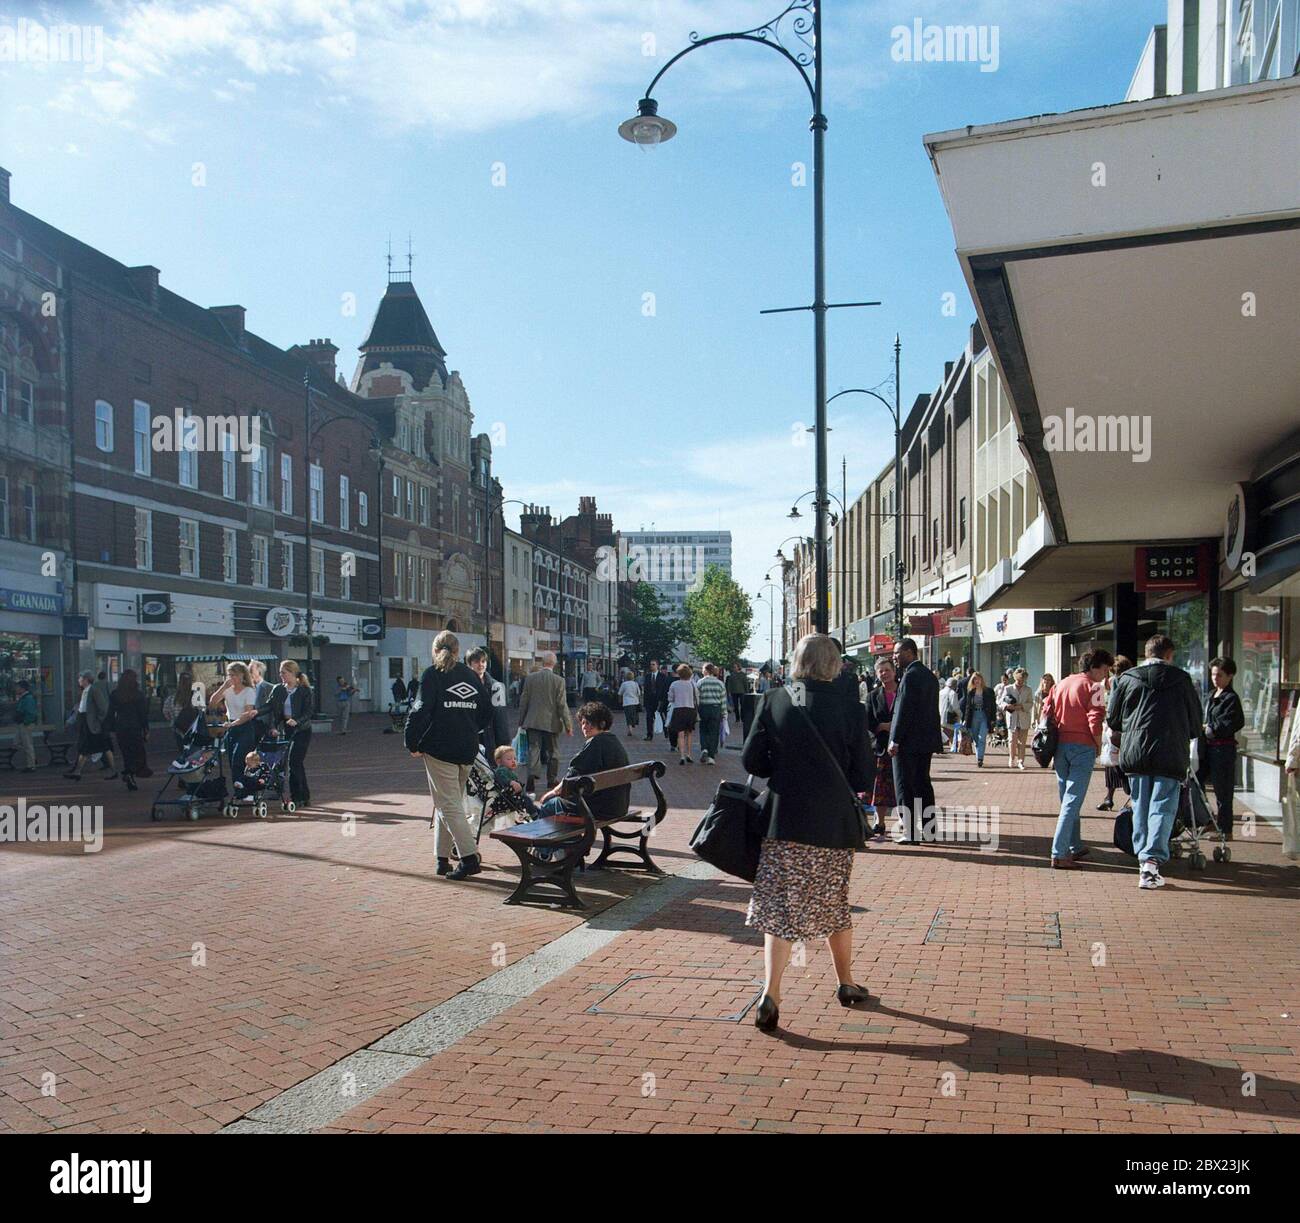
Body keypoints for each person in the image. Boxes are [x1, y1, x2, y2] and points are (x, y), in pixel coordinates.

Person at [742, 634, 873, 1033]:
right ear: (834, 665)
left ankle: (771, 993)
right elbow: (864, 775)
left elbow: (752, 760)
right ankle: (846, 983)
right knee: (834, 901)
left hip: (785, 821)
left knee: (779, 910)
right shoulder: (852, 709)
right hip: (833, 823)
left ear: (797, 662)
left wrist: (785, 767)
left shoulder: (776, 699)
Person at [1107, 635, 1202, 890]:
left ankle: (1143, 858)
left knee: (1140, 805)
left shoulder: (1127, 679)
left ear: (1146, 654)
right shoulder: (1182, 680)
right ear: (1169, 655)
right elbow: (1195, 723)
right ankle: (1151, 862)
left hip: (1136, 752)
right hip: (1170, 752)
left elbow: (1113, 719)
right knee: (1162, 806)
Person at [405, 630, 492, 880]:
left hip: (440, 748)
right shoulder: (471, 676)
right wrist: (469, 728)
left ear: (435, 650)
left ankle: (468, 857)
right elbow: (487, 711)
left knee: (449, 804)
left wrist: (412, 742)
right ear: (457, 651)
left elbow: (420, 710)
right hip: (467, 748)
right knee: (447, 802)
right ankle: (442, 859)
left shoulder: (433, 674)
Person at [1044, 648, 1114, 869]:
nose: (1106, 674)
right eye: (1105, 669)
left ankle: (1074, 845)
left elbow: (1047, 710)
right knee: (1072, 802)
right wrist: (1097, 744)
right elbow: (1095, 719)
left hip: (1060, 746)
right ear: (1095, 667)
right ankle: (1059, 852)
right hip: (1082, 746)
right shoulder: (1094, 688)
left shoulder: (1062, 683)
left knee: (1067, 800)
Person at [535, 701, 630, 819]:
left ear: (602, 723)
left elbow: (574, 773)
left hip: (598, 808)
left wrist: (554, 792)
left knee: (549, 805)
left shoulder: (595, 743)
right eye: (583, 723)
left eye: (589, 723)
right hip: (618, 807)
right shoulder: (614, 741)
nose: (584, 727)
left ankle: (541, 836)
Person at [888, 639, 943, 844]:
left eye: (897, 652)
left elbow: (903, 711)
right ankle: (929, 831)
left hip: (908, 743)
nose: (894, 656)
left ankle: (910, 831)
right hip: (925, 741)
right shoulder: (929, 676)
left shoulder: (910, 677)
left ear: (910, 652)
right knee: (923, 785)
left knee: (904, 786)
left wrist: (895, 740)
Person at [258, 660, 316, 808]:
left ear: (292, 673)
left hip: (302, 730)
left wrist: (297, 720)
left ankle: (297, 796)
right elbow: (270, 706)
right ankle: (304, 795)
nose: (281, 675)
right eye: (280, 673)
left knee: (294, 762)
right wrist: (256, 713)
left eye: (284, 672)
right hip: (287, 729)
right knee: (295, 764)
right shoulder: (279, 689)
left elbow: (309, 711)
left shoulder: (304, 690)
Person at [1200, 656, 1245, 840]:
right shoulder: (1211, 695)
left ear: (1230, 676)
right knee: (1197, 781)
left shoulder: (1231, 698)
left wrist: (1211, 728)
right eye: (1213, 674)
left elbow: (1234, 722)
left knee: (1223, 791)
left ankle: (1226, 830)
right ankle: (1208, 819)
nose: (1215, 678)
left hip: (1223, 750)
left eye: (1219, 675)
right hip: (1207, 748)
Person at [518, 651, 572, 793]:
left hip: (533, 720)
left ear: (542, 663)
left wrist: (521, 720)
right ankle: (551, 779)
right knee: (553, 752)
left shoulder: (530, 679)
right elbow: (561, 704)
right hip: (551, 722)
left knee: (533, 749)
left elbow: (524, 701)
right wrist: (568, 725)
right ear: (554, 664)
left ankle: (531, 777)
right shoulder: (559, 680)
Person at [209, 662, 261, 793]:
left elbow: (248, 713)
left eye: (233, 675)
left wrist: (234, 723)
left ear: (241, 676)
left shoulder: (249, 691)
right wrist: (223, 687)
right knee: (232, 760)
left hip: (245, 727)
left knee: (240, 757)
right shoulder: (228, 690)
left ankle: (248, 788)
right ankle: (240, 791)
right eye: (229, 675)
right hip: (231, 727)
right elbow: (212, 702)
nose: (231, 678)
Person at [865, 656, 899, 839]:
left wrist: (897, 726)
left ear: (894, 671)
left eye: (887, 670)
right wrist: (882, 726)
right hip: (881, 747)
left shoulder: (903, 691)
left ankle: (904, 820)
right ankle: (880, 822)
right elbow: (868, 721)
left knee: (900, 786)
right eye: (881, 671)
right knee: (880, 787)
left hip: (902, 748)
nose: (884, 673)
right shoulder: (872, 696)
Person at [64, 670, 117, 781]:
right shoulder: (84, 692)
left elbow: (103, 708)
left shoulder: (94, 690)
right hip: (86, 725)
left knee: (103, 748)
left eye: (81, 678)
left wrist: (98, 721)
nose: (79, 680)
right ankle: (78, 772)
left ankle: (113, 770)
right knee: (86, 748)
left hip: (93, 726)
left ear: (86, 680)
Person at [1099, 658, 1133, 811]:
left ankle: (1127, 793)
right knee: (1112, 761)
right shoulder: (1113, 682)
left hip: (1118, 728)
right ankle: (1110, 797)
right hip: (1116, 727)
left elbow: (1113, 706)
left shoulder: (1119, 682)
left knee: (1116, 762)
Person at [108, 669, 151, 791]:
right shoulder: (138, 695)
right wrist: (146, 729)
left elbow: (110, 712)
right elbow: (143, 714)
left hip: (121, 727)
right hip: (134, 726)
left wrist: (110, 727)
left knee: (126, 752)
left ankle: (129, 772)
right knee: (137, 751)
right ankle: (132, 772)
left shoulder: (115, 694)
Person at [466, 648, 508, 756]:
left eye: (483, 661)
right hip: (469, 738)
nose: (480, 664)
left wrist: (504, 745)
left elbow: (500, 718)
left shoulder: (496, 687)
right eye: (476, 662)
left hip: (489, 739)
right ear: (469, 664)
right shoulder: (463, 686)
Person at [492, 744, 539, 818]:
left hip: (513, 796)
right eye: (509, 759)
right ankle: (535, 816)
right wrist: (510, 782)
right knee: (527, 801)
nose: (513, 761)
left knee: (529, 803)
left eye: (515, 758)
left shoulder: (509, 771)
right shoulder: (501, 770)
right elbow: (501, 779)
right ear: (499, 761)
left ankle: (538, 812)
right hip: (509, 798)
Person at [960, 671, 997, 767]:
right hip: (974, 716)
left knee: (982, 737)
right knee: (976, 738)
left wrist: (993, 719)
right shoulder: (971, 692)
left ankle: (980, 758)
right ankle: (978, 757)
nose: (977, 681)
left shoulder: (988, 691)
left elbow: (993, 706)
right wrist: (965, 719)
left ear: (981, 680)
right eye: (975, 679)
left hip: (984, 715)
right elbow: (968, 707)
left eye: (978, 678)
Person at [1002, 667, 1034, 769]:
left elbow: (1030, 703)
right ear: (1015, 678)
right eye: (1018, 679)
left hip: (1024, 717)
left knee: (1022, 741)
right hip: (1012, 717)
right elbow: (1001, 701)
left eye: (1023, 680)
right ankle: (1011, 758)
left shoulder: (1028, 689)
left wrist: (1021, 706)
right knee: (1012, 740)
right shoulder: (1008, 688)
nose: (1020, 682)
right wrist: (1007, 706)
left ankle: (1021, 761)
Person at [668, 663, 699, 764]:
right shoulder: (692, 684)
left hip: (678, 710)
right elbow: (697, 699)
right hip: (690, 710)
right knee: (689, 734)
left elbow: (670, 699)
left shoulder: (674, 684)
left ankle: (681, 756)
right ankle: (689, 754)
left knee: (680, 734)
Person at [697, 662, 727, 765]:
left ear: (706, 670)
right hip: (715, 708)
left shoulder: (700, 682)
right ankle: (711, 756)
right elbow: (723, 700)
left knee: (703, 730)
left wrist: (697, 710)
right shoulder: (720, 683)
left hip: (704, 708)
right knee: (714, 732)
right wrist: (724, 713)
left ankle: (704, 748)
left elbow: (697, 698)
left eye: (702, 669)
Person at [641, 659, 670, 744]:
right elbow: (645, 690)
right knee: (649, 718)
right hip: (649, 701)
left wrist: (663, 700)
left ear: (657, 666)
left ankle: (666, 732)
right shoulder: (647, 676)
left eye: (653, 664)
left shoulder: (662, 676)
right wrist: (645, 702)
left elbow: (664, 689)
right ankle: (649, 734)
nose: (651, 666)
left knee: (661, 717)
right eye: (651, 664)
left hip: (659, 700)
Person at [14, 678, 39, 773]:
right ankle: (32, 759)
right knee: (18, 743)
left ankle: (31, 765)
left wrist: (26, 722)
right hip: (23, 723)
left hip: (25, 724)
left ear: (23, 688)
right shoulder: (25, 697)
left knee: (27, 745)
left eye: (18, 687)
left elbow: (30, 712)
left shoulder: (27, 698)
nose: (16, 689)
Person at [617, 668, 641, 736]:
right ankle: (633, 724)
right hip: (635, 702)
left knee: (628, 716)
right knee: (634, 715)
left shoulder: (624, 684)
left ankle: (630, 728)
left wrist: (620, 701)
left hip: (627, 703)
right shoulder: (635, 684)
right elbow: (639, 693)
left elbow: (620, 693)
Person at [939, 677, 962, 750]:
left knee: (943, 732)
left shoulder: (941, 692)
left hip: (940, 715)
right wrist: (960, 714)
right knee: (952, 734)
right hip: (949, 717)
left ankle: (942, 746)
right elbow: (955, 707)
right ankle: (953, 747)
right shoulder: (953, 693)